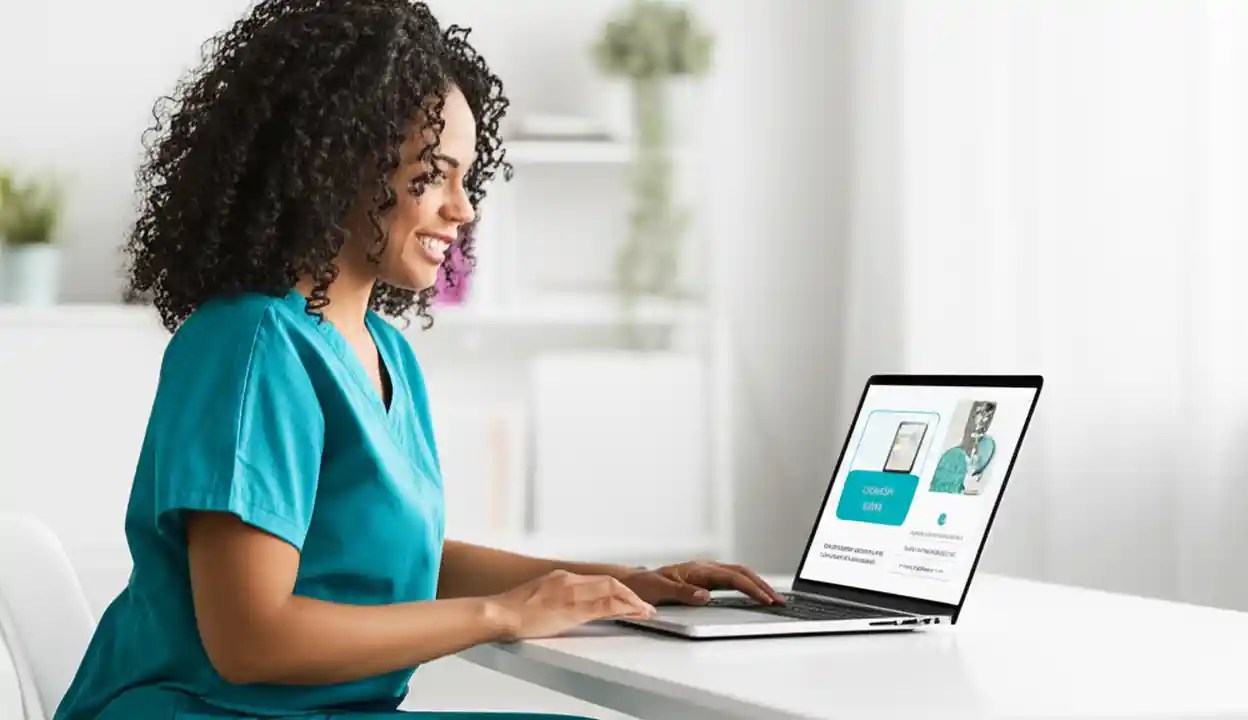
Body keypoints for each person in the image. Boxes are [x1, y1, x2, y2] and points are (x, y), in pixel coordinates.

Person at [52, 1, 783, 719]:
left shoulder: (386, 352)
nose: (463, 210)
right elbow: (251, 639)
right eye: (433, 174)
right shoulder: (249, 345)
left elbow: (411, 562)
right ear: (333, 165)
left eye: (468, 177)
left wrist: (629, 581)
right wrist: (501, 613)